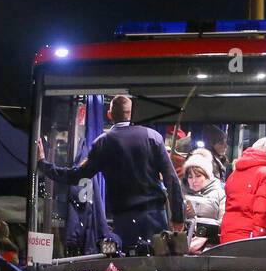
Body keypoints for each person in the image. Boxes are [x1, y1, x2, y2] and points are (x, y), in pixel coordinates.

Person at [36, 94, 185, 253]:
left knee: (127, 265)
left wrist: (43, 164)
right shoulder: (152, 136)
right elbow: (172, 180)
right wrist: (178, 217)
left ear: (109, 114)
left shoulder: (103, 143)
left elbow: (76, 176)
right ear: (131, 113)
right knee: (158, 261)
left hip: (125, 219)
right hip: (156, 215)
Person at [220, 136, 266, 243]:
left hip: (227, 235)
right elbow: (264, 213)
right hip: (250, 240)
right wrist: (258, 242)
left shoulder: (234, 174)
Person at [180, 149, 225, 252]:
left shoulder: (220, 192)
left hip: (211, 247)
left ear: (207, 175)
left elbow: (223, 221)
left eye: (198, 176)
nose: (194, 181)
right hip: (182, 245)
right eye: (190, 177)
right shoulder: (181, 193)